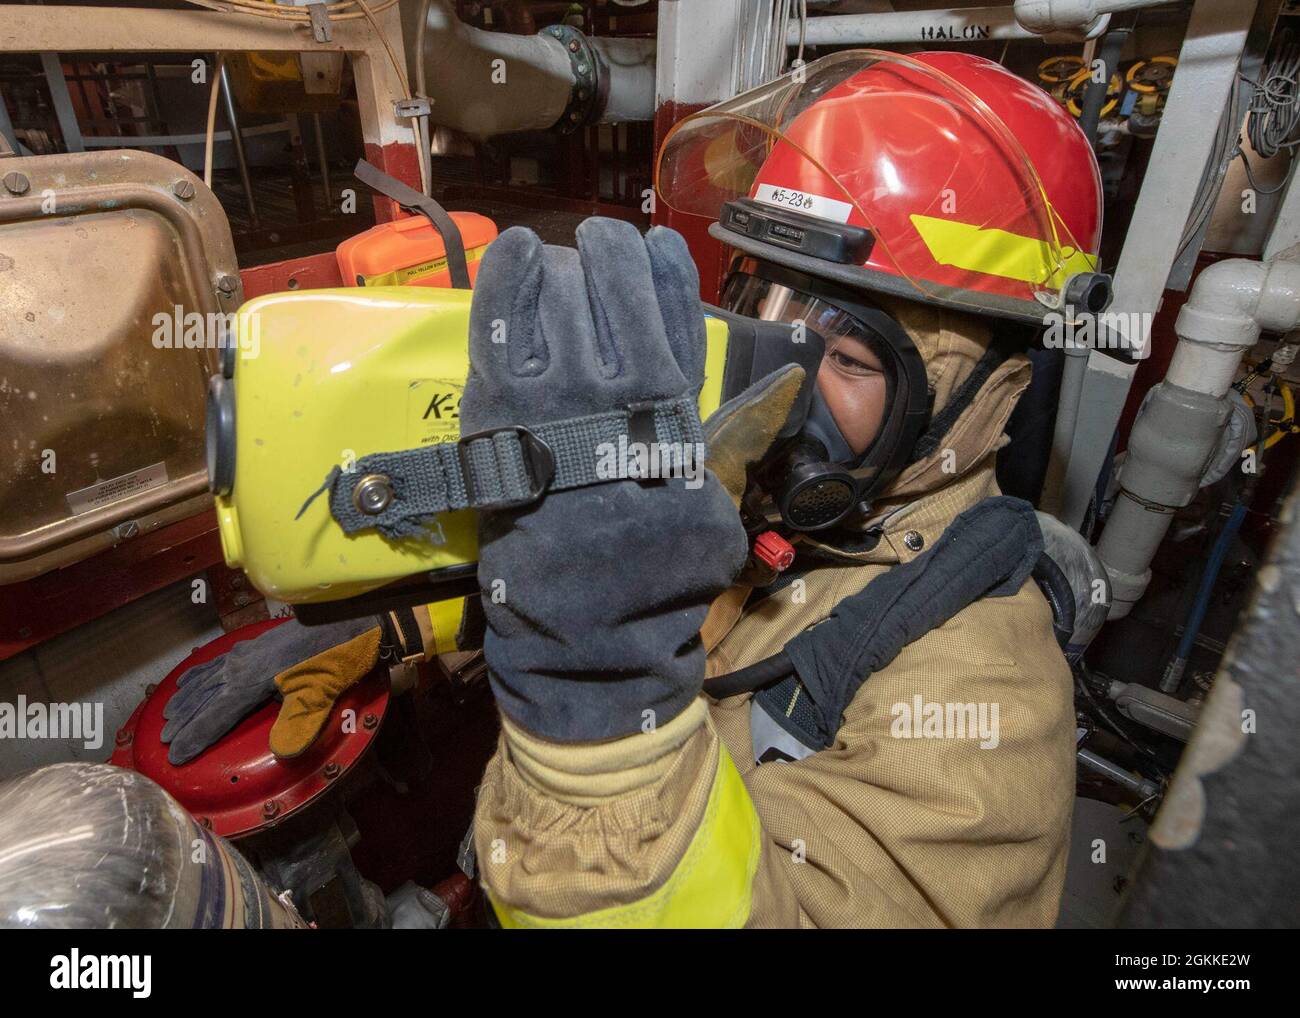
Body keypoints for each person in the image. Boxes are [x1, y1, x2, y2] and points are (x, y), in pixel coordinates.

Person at [163, 50, 1105, 928]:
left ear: (989, 400)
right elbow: (638, 577)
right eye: (762, 314)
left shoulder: (987, 697)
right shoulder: (787, 503)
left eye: (850, 357)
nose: (783, 386)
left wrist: (597, 719)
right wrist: (405, 624)